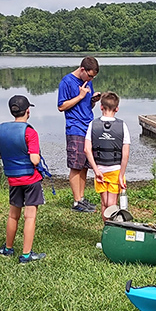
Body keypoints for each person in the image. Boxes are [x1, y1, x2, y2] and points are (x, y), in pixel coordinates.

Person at [0, 95, 46, 264]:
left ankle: (8, 248)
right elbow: (35, 160)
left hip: (13, 180)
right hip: (30, 180)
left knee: (13, 215)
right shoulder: (30, 132)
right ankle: (26, 254)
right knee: (29, 217)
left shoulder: (1, 130)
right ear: (28, 111)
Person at [57, 56, 101, 213]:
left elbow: (87, 104)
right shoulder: (66, 82)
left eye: (93, 77)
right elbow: (61, 106)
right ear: (82, 69)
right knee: (76, 166)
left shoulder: (88, 82)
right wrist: (80, 96)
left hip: (88, 126)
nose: (90, 79)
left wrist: (93, 100)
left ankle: (82, 199)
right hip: (75, 127)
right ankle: (76, 202)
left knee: (85, 165)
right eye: (89, 76)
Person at [85, 91, 131, 217]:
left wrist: (95, 170)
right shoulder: (123, 126)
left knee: (104, 203)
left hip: (100, 169)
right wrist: (121, 176)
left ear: (101, 107)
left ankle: (106, 229)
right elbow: (125, 154)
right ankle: (112, 231)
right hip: (116, 170)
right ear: (117, 109)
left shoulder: (92, 124)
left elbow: (87, 150)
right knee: (111, 204)